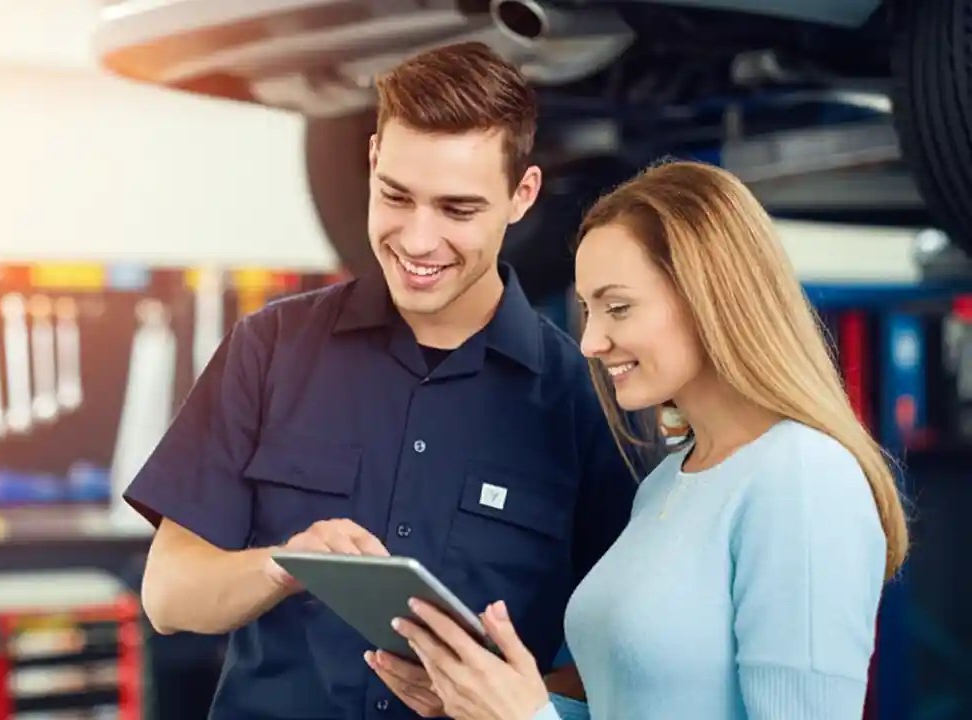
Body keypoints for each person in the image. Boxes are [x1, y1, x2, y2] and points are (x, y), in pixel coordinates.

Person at [121, 41, 639, 719]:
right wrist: (281, 563)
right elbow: (167, 595)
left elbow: (625, 659)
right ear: (371, 162)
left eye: (457, 210)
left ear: (522, 195)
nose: (418, 241)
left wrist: (506, 698)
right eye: (396, 196)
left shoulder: (583, 401)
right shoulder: (270, 350)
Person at [389, 159, 911, 719]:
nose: (590, 341)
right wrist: (490, 699)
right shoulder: (666, 484)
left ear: (712, 298)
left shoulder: (804, 477)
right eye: (588, 310)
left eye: (618, 308)